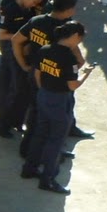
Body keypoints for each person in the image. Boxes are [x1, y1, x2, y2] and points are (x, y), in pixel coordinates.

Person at [20, 18, 92, 193]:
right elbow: (72, 85)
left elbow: (38, 73)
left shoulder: (45, 50)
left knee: (40, 133)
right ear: (74, 36)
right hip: (59, 100)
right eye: (80, 38)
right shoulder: (69, 58)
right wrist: (86, 75)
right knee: (56, 140)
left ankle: (29, 168)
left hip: (43, 95)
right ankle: (48, 179)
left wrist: (44, 90)